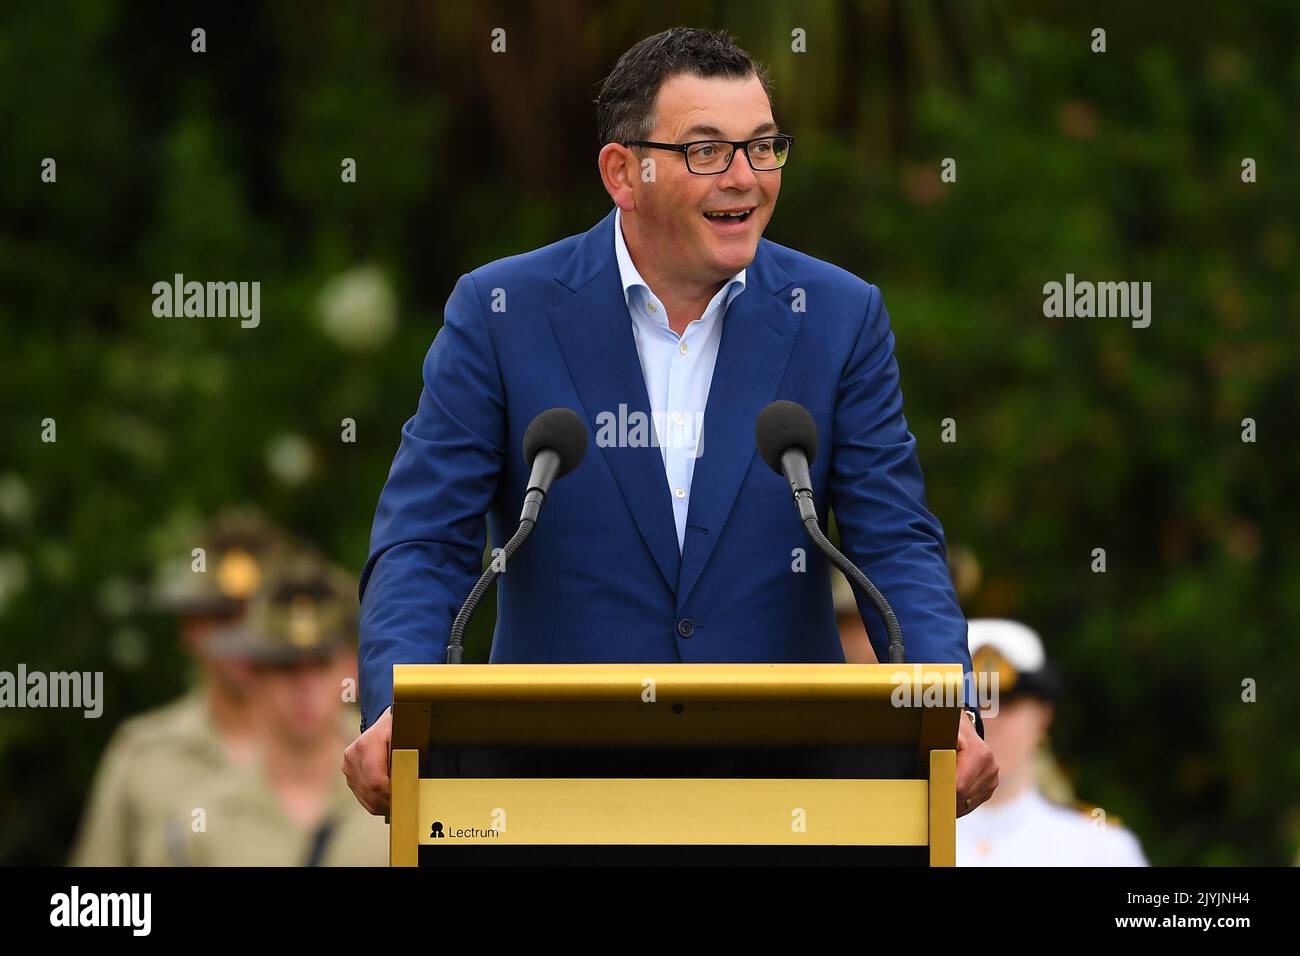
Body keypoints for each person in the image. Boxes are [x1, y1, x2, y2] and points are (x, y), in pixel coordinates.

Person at [345, 27, 995, 818]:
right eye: (708, 151)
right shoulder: (501, 312)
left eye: (763, 147)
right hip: (552, 801)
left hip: (784, 803)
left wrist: (950, 706)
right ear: (624, 172)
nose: (747, 178)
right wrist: (392, 708)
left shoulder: (838, 316)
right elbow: (425, 541)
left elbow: (895, 540)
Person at [70, 508, 293, 866]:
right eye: (222, 616)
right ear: (189, 630)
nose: (243, 635)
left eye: (258, 614)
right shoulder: (142, 755)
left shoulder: (347, 752)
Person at [172, 560, 387, 866]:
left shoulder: (395, 792)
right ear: (252, 673)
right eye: (285, 666)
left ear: (350, 666)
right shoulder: (201, 822)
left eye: (319, 664)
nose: (304, 687)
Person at [956, 618, 1149, 866]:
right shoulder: (905, 839)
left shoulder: (1104, 850)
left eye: (1008, 704)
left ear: (1044, 717)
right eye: (973, 705)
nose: (989, 721)